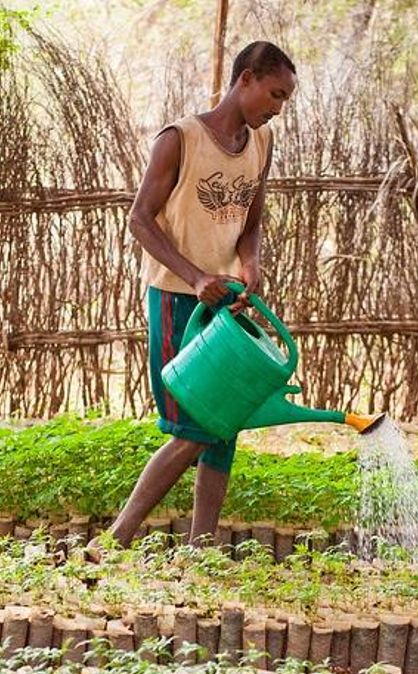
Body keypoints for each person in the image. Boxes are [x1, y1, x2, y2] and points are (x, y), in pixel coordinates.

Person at [85, 41, 296, 561]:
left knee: (222, 427)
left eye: (286, 99)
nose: (278, 107)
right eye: (275, 94)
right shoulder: (181, 139)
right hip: (177, 296)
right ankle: (114, 541)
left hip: (226, 303)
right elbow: (139, 218)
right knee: (197, 422)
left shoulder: (259, 144)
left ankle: (201, 550)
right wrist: (196, 275)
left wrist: (250, 263)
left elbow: (251, 221)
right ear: (244, 79)